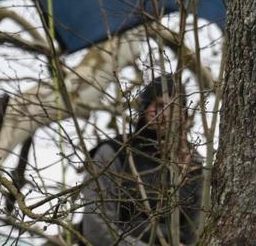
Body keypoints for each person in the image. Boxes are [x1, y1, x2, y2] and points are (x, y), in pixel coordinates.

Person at [79, 75, 203, 246]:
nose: (166, 114)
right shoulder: (114, 152)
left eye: (173, 108)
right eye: (159, 106)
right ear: (145, 109)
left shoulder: (193, 163)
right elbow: (96, 228)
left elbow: (198, 230)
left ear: (183, 114)